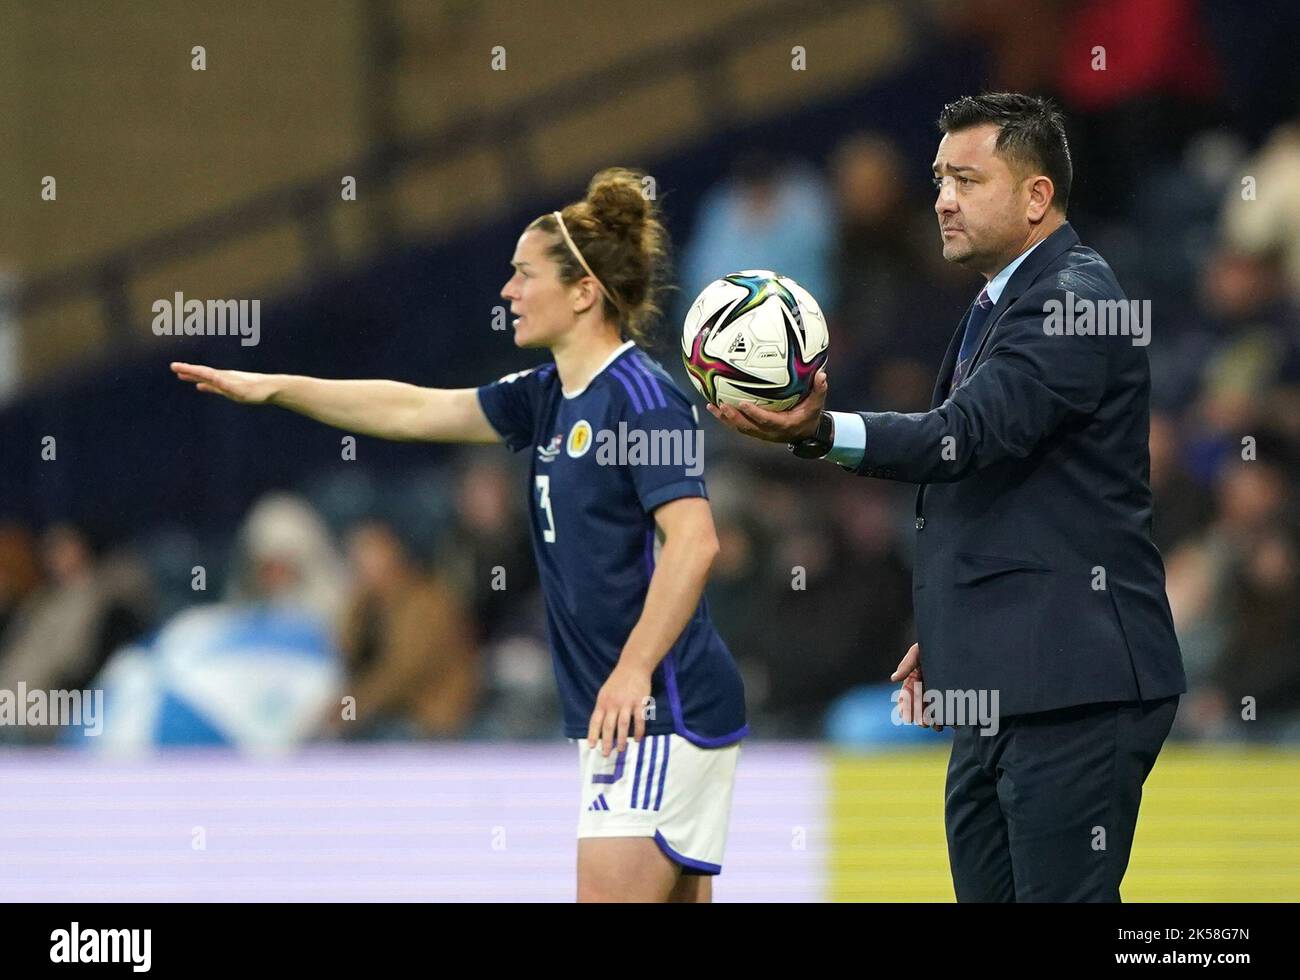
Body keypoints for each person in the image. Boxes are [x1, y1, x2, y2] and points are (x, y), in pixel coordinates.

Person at [170, 167, 747, 903]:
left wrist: (633, 671)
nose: (506, 292)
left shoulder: (644, 398)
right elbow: (412, 410)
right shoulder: (547, 397)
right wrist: (276, 387)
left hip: (658, 709)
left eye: (523, 274)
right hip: (626, 714)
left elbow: (695, 544)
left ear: (582, 291)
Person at [710, 93, 1186, 902]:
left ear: (1037, 197)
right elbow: (1004, 486)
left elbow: (963, 438)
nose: (941, 199)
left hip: (1074, 685)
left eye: (967, 179)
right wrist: (958, 630)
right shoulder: (1001, 299)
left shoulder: (1076, 295)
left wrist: (820, 431)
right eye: (938, 179)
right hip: (1007, 679)